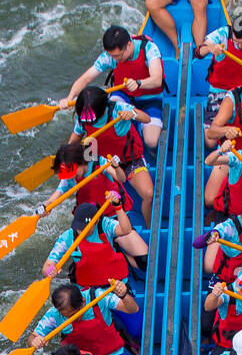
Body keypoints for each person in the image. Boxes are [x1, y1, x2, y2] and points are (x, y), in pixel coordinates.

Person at [40, 150, 148, 276]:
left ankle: (118, 251)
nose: (71, 177)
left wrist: (116, 166)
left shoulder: (98, 162)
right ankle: (113, 251)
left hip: (112, 219)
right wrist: (45, 206)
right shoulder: (70, 178)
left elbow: (121, 178)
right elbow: (53, 199)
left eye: (73, 172)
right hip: (89, 225)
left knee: (144, 261)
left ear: (80, 162)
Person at [60, 25, 164, 151]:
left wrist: (139, 83)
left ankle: (137, 129)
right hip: (124, 96)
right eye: (112, 56)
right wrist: (69, 98)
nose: (114, 59)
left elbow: (157, 80)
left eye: (117, 56)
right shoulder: (109, 56)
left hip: (149, 99)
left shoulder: (149, 48)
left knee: (151, 142)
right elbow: (86, 78)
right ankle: (114, 141)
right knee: (111, 108)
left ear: (129, 45)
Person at [27, 280, 139, 355]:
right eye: (65, 316)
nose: (70, 319)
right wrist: (34, 341)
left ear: (83, 302)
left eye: (73, 315)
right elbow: (32, 337)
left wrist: (124, 295)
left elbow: (132, 309)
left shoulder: (99, 296)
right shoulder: (54, 314)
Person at [68, 85, 154, 225]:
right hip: (101, 165)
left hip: (128, 161)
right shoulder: (84, 117)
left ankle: (150, 228)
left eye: (93, 118)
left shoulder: (118, 108)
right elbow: (73, 140)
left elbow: (146, 119)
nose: (90, 122)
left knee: (148, 194)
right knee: (89, 201)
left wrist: (132, 114)